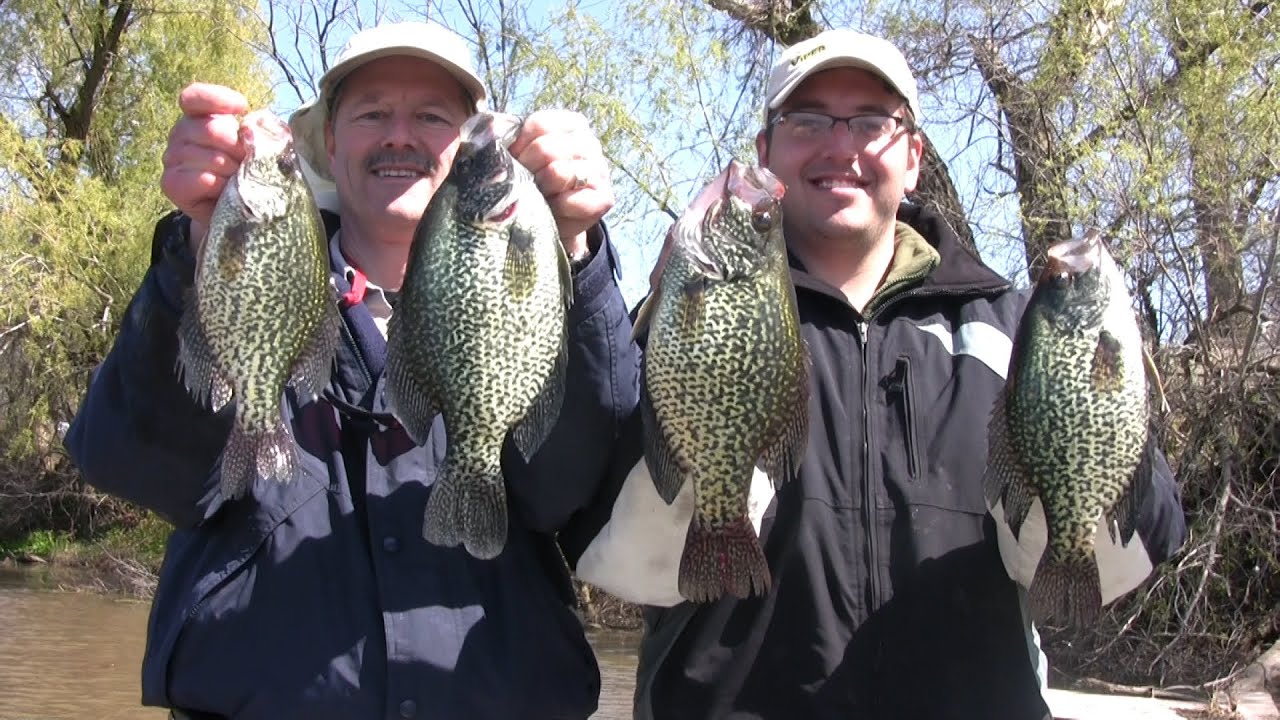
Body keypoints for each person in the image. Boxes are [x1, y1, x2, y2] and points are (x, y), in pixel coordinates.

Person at [559, 29, 1188, 719]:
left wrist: (1103, 419)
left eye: (870, 122)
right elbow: (606, 543)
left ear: (913, 156)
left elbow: (1135, 547)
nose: (840, 147)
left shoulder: (1008, 325)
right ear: (765, 152)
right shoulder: (697, 313)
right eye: (806, 121)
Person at [64, 20, 640, 720]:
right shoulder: (254, 270)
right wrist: (195, 249)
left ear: (464, 144)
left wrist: (577, 253)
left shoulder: (544, 284)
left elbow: (573, 487)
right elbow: (129, 459)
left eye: (430, 115)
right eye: (373, 113)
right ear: (329, 144)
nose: (400, 134)